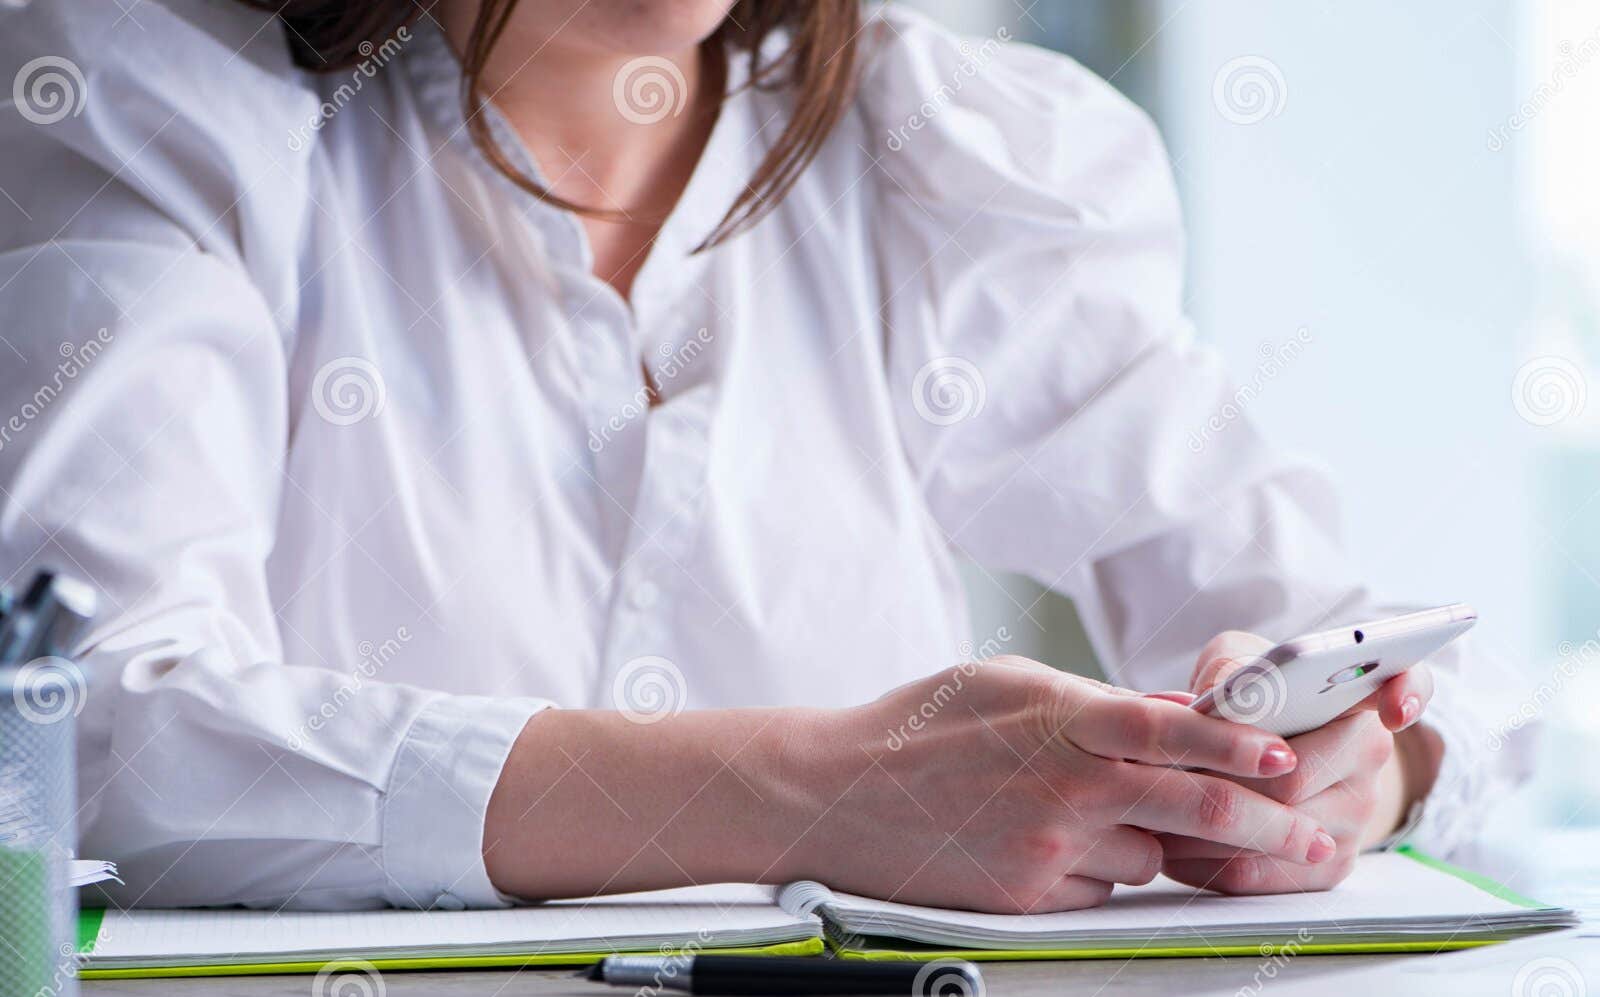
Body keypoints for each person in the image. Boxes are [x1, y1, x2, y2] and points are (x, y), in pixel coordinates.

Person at [0, 0, 1526, 913]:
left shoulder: (949, 154)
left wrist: (1333, 769)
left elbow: (1333, 649)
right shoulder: (153, 107)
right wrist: (815, 790)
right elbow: (91, 736)